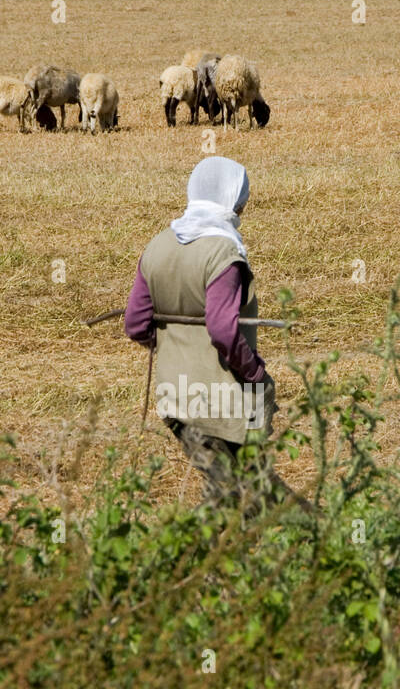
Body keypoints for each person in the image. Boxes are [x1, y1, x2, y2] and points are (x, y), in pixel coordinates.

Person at [124, 156, 298, 511]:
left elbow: (135, 324)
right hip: (225, 400)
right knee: (240, 498)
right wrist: (255, 373)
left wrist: (176, 346)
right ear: (232, 198)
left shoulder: (157, 246)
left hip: (175, 396)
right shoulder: (223, 252)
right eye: (242, 199)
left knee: (241, 489)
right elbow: (222, 330)